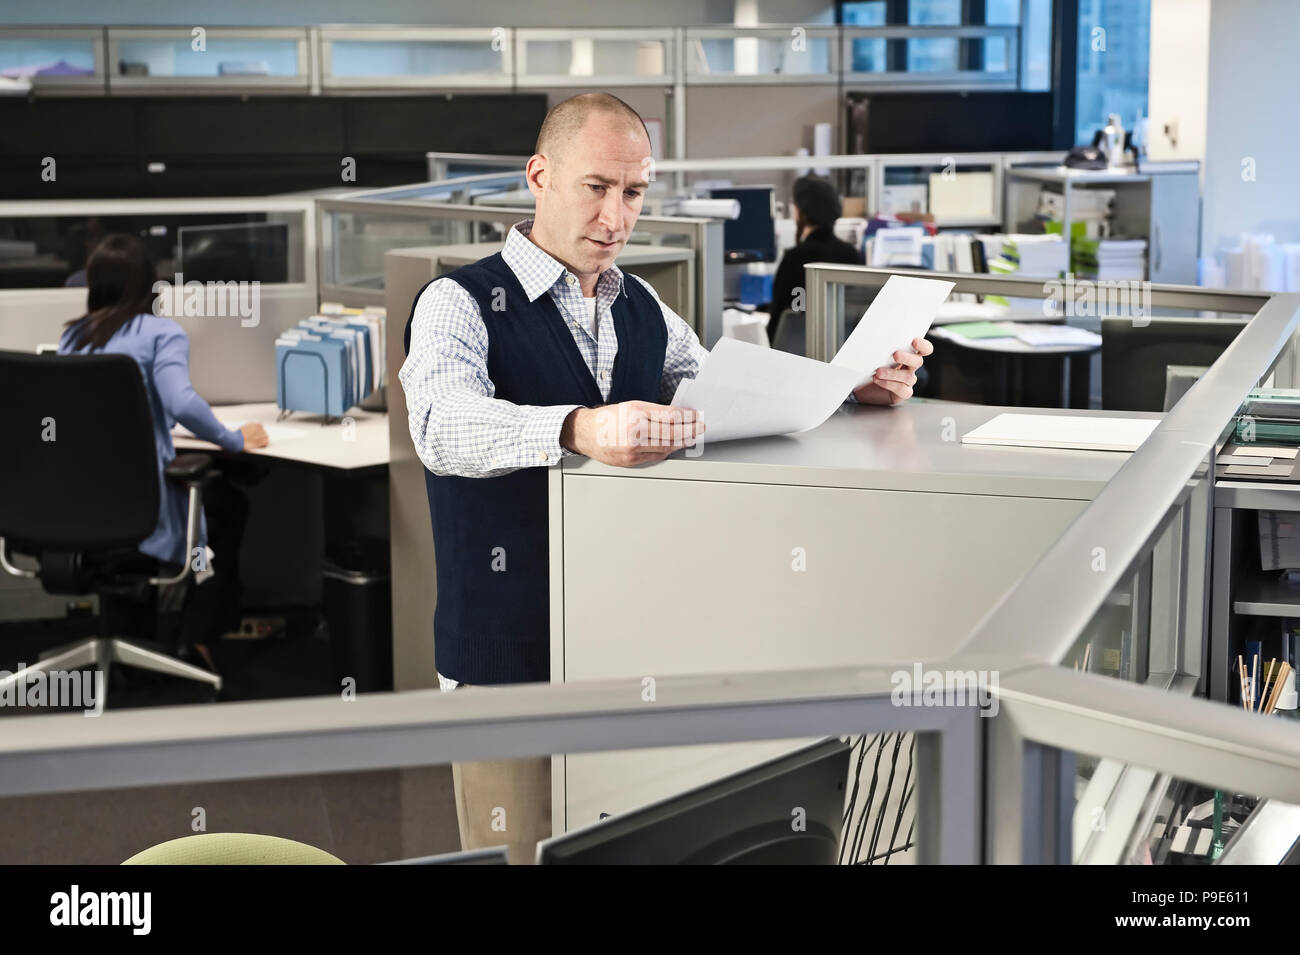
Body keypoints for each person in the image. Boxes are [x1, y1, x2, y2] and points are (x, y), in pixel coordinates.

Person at [399, 93, 932, 863]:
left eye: (634, 192)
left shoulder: (639, 304)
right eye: (595, 187)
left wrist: (854, 388)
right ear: (539, 176)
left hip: (630, 651)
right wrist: (579, 426)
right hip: (510, 666)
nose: (616, 217)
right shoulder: (460, 303)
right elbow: (441, 425)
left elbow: (729, 391)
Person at [58, 233, 268, 674]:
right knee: (228, 505)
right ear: (150, 284)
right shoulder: (160, 333)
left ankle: (137, 643)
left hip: (78, 503)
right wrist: (233, 439)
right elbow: (182, 403)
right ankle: (196, 638)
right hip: (141, 503)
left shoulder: (73, 337)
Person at [762, 174, 864, 343]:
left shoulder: (795, 258)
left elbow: (778, 321)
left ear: (799, 211)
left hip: (797, 357)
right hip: (843, 353)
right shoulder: (851, 254)